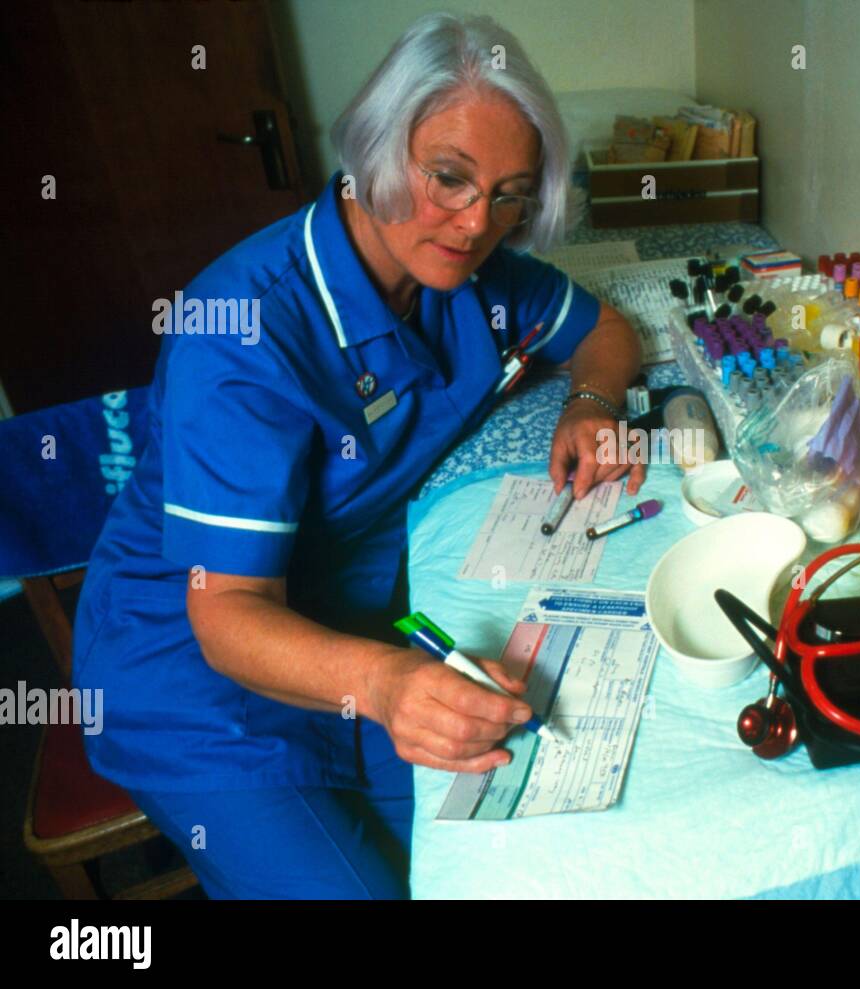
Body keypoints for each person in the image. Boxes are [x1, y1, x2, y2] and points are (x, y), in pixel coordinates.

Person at [71, 11, 643, 899]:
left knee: (526, 829)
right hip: (194, 666)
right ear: (375, 147)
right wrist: (382, 682)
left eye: (509, 193)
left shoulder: (468, 270)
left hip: (346, 618)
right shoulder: (244, 330)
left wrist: (592, 401)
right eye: (448, 178)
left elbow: (605, 330)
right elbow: (223, 610)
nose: (474, 221)